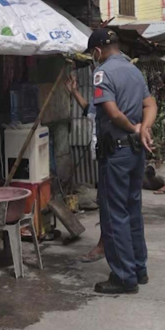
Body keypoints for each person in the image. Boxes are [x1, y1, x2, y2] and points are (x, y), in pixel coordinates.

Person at [89, 29, 156, 294]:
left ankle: (123, 277)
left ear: (97, 52)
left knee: (114, 213)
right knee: (132, 210)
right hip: (135, 152)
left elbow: (113, 113)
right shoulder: (134, 71)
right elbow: (150, 105)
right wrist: (143, 128)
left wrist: (131, 127)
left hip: (116, 152)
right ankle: (139, 269)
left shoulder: (102, 73)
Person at [65, 73, 106, 264]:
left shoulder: (112, 99)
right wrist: (74, 92)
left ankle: (104, 245)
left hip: (112, 156)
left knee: (109, 204)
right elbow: (89, 110)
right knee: (106, 201)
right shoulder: (100, 105)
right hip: (106, 156)